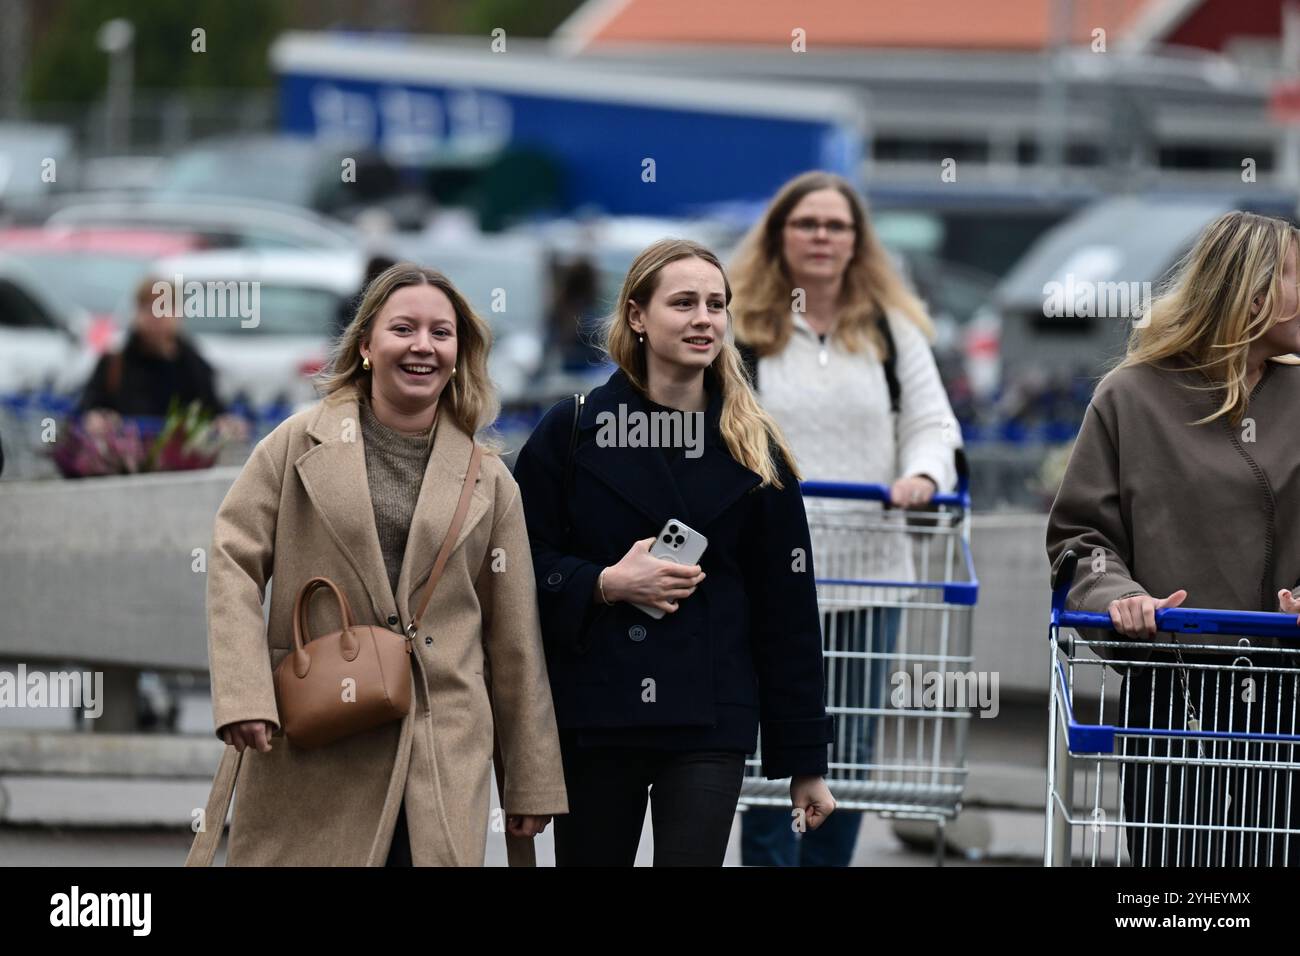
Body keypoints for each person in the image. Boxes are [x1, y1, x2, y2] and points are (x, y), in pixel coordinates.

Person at [187, 262, 568, 866]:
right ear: (366, 344)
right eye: (403, 329)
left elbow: (515, 639)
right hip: (317, 727)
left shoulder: (491, 480)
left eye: (441, 333)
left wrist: (529, 777)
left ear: (459, 353)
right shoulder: (294, 445)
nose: (423, 346)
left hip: (440, 745)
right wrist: (243, 696)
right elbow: (232, 559)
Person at [512, 238, 836, 866]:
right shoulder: (573, 428)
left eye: (717, 305)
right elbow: (515, 564)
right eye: (683, 302)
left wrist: (805, 764)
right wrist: (604, 582)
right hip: (596, 713)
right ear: (637, 315)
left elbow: (788, 614)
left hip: (710, 718)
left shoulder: (754, 447)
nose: (704, 319)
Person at [1047, 210, 1300, 866]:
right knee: (1176, 874)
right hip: (1171, 682)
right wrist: (1119, 596)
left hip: (1287, 685)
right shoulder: (1129, 397)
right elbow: (1082, 536)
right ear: (1252, 292)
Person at [730, 170, 961, 867]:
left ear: (858, 241)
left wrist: (922, 475)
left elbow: (931, 422)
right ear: (779, 236)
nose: (822, 237)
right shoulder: (743, 328)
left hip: (870, 576)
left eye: (837, 226)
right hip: (770, 579)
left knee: (851, 752)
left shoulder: (891, 331)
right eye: (807, 224)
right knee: (774, 749)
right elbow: (716, 427)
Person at [78, 275, 244, 440]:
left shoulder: (196, 367)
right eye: (149, 307)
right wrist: (96, 420)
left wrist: (228, 425)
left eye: (163, 306)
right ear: (137, 312)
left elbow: (215, 413)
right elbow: (85, 412)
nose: (156, 315)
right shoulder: (113, 364)